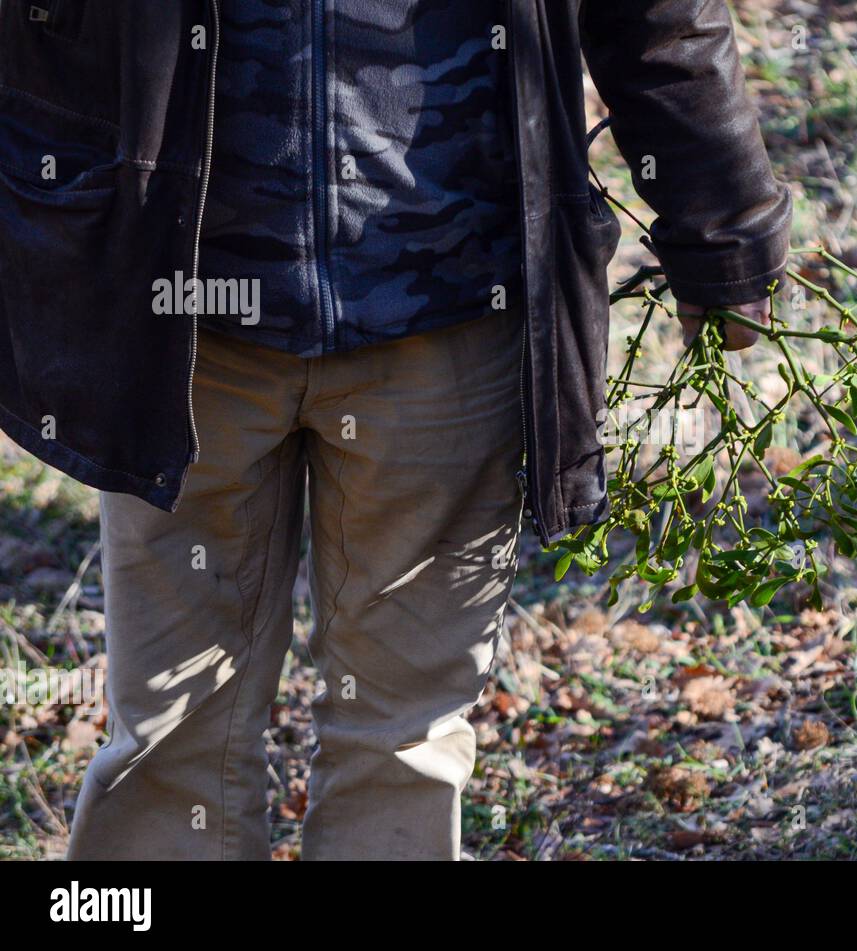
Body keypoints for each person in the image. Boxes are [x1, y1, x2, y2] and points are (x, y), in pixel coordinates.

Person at [0, 0, 791, 859]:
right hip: (186, 326)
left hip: (449, 316)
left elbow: (655, 14)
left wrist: (725, 232)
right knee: (165, 734)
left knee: (404, 743)